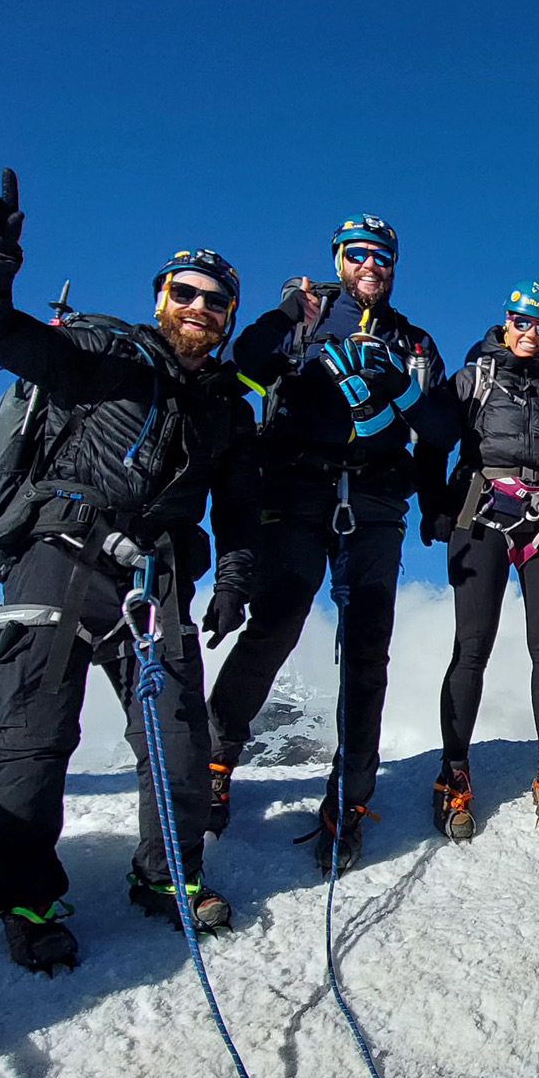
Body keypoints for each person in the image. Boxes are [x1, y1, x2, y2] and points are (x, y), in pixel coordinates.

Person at [0, 168, 259, 971]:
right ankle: (26, 895)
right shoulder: (102, 353)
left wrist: (231, 581)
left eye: (215, 300)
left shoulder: (226, 405)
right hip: (59, 554)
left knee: (179, 730)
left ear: (228, 318)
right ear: (160, 297)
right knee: (33, 733)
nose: (199, 308)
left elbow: (238, 509)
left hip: (153, 573)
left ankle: (170, 876)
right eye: (185, 292)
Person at [205, 215, 455, 875]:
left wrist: (432, 500)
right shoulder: (302, 321)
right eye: (358, 253)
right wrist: (288, 309)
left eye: (383, 255)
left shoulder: (415, 342)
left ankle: (349, 798)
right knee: (276, 627)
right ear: (339, 258)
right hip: (293, 491)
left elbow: (438, 433)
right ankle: (214, 757)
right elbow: (244, 368)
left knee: (368, 650)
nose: (371, 264)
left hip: (375, 502)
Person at [432, 280, 539, 838]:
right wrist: (434, 508)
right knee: (471, 648)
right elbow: (433, 443)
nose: (532, 333)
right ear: (506, 319)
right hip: (481, 517)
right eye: (523, 322)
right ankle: (453, 773)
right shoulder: (474, 377)